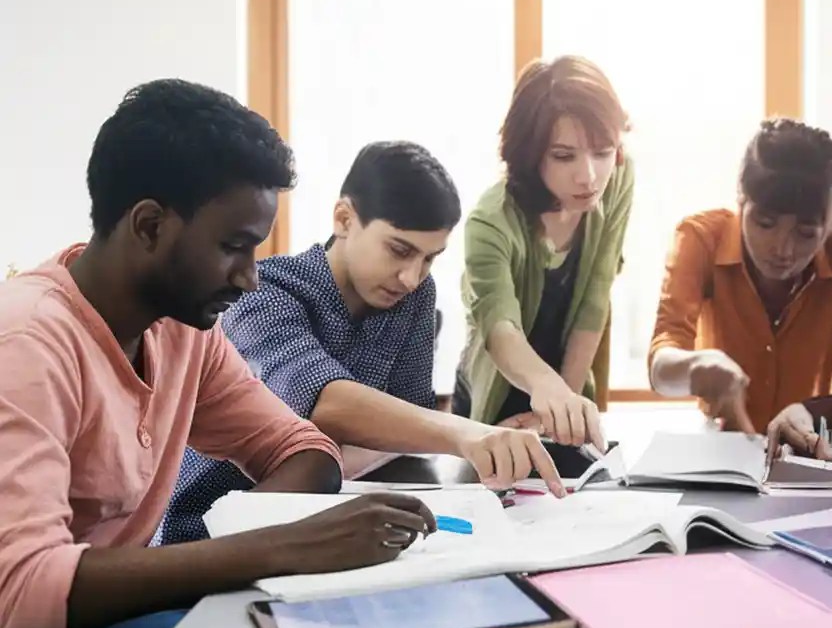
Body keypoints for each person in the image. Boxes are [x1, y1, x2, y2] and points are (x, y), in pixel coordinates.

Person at [0, 80, 434, 628]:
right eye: (234, 246)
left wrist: (263, 548)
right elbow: (22, 592)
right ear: (150, 226)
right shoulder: (27, 342)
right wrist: (280, 547)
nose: (250, 277)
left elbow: (301, 448)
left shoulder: (183, 330)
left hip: (121, 617)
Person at [158, 142, 566, 545]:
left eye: (429, 258)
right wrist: (464, 433)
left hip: (333, 511)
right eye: (399, 250)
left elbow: (413, 419)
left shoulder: (414, 298)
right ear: (344, 218)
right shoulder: (263, 293)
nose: (411, 276)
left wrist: (478, 438)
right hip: (208, 527)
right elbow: (321, 403)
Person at [648, 119, 832, 460]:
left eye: (806, 232)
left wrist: (811, 413)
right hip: (723, 450)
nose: (782, 248)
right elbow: (661, 365)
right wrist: (696, 368)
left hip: (812, 447)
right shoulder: (700, 238)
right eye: (764, 224)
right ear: (740, 199)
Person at [453, 55, 632, 462]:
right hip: (497, 387)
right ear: (531, 155)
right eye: (564, 156)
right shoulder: (489, 222)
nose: (588, 176)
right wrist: (548, 395)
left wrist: (561, 409)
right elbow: (501, 330)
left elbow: (595, 299)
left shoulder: (618, 178)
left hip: (564, 384)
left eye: (603, 151)